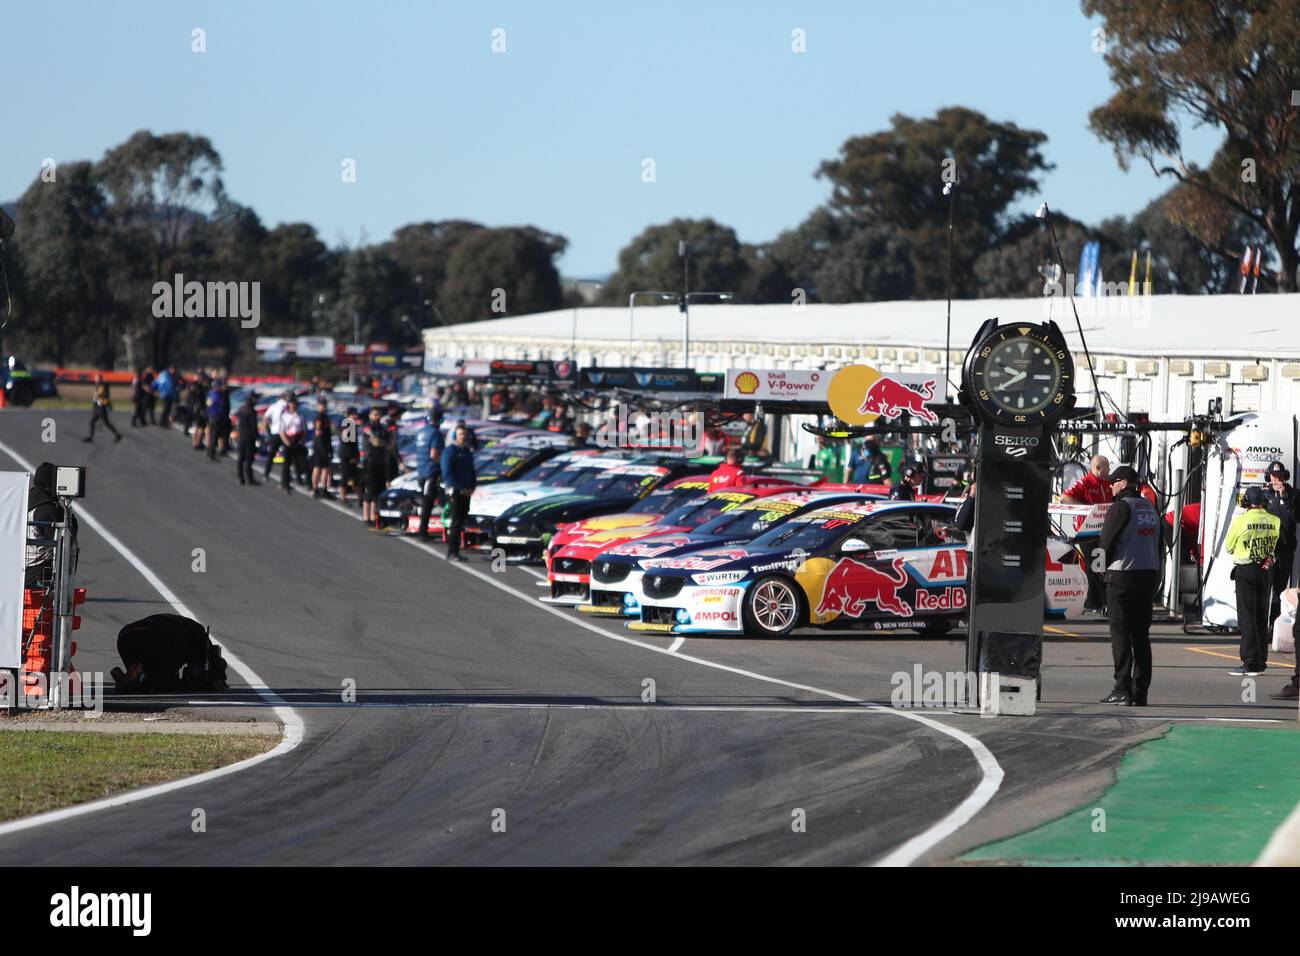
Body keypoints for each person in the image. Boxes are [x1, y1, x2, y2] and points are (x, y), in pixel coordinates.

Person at [1096, 465, 1161, 705]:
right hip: (1148, 576)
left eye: (1113, 482)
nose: (1110, 487)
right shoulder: (1151, 508)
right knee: (1141, 636)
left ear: (1123, 483)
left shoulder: (1120, 508)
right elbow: (1160, 544)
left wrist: (1098, 576)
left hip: (1121, 577)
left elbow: (1105, 544)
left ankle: (1122, 688)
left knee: (1121, 634)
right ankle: (1140, 691)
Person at [1225, 486, 1280, 677]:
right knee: (1261, 616)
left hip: (1246, 570)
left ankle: (1250, 664)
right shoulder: (1275, 520)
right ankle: (1261, 661)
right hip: (1266, 569)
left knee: (1247, 617)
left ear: (1246, 503)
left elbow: (1229, 547)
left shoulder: (1241, 521)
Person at [25, 462, 78, 588]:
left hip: (24, 567)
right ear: (52, 485)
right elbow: (66, 538)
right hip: (39, 573)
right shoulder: (47, 509)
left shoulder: (27, 499)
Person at [1264, 461, 1299, 626]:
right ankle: (1262, 624)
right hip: (1267, 551)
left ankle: (1274, 625)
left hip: (1285, 550)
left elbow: (1295, 519)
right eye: (1274, 476)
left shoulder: (1294, 495)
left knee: (1279, 590)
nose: (1277, 479)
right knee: (1264, 589)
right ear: (1269, 476)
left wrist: (1285, 496)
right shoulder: (1264, 495)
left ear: (1285, 476)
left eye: (1280, 475)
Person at [441, 424, 477, 561]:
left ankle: (456, 550)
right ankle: (452, 551)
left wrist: (472, 487)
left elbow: (471, 471)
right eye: (461, 434)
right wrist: (459, 488)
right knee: (455, 522)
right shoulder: (450, 451)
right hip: (456, 491)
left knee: (461, 520)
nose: (463, 437)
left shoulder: (467, 451)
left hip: (466, 491)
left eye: (465, 434)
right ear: (456, 436)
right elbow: (447, 473)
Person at [414, 410, 445, 539]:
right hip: (431, 471)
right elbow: (434, 454)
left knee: (425, 501)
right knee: (428, 502)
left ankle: (423, 529)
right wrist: (443, 465)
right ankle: (423, 531)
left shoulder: (420, 432)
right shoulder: (435, 433)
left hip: (421, 470)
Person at [361, 431, 394, 525]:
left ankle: (373, 517)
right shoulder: (370, 450)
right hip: (371, 475)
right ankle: (365, 517)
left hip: (380, 475)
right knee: (369, 496)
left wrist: (387, 478)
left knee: (376, 496)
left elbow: (386, 465)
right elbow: (366, 464)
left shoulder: (383, 451)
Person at [278, 396, 307, 495]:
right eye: (291, 403)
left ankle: (303, 481)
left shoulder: (300, 416)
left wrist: (301, 440)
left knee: (302, 462)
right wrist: (286, 442)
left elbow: (303, 430)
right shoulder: (284, 416)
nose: (293, 405)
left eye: (294, 403)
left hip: (297, 439)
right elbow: (281, 431)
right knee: (287, 463)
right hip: (288, 439)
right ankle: (285, 483)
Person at [82, 373, 123, 443]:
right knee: (92, 422)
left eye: (97, 379)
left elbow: (102, 396)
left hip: (101, 407)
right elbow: (96, 397)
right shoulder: (98, 386)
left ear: (100, 379)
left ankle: (118, 435)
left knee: (106, 423)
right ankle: (90, 437)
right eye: (96, 379)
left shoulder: (103, 386)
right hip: (97, 407)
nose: (96, 380)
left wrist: (104, 403)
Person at [261, 390, 290, 480]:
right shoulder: (287, 407)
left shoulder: (274, 406)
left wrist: (267, 430)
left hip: (275, 432)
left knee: (271, 455)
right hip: (285, 433)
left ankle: (266, 473)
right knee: (287, 455)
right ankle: (286, 476)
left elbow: (265, 418)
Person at [337, 407, 362, 507]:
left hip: (349, 456)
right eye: (354, 414)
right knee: (345, 478)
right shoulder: (348, 424)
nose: (356, 416)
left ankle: (360, 497)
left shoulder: (350, 425)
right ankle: (343, 498)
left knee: (354, 479)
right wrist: (353, 456)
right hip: (347, 457)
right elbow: (348, 443)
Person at [235, 394, 260, 486]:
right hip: (249, 437)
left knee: (241, 458)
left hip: (241, 436)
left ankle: (240, 477)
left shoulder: (241, 409)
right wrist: (257, 437)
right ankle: (249, 478)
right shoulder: (251, 411)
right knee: (249, 459)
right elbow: (253, 426)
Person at [310, 400, 334, 498]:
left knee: (325, 468)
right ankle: (315, 489)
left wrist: (329, 448)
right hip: (320, 446)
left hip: (326, 444)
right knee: (317, 467)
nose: (323, 407)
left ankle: (324, 489)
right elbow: (318, 434)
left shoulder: (325, 417)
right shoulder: (319, 417)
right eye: (321, 405)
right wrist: (322, 449)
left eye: (324, 405)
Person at [206, 378, 230, 461]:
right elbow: (220, 407)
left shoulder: (210, 393)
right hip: (217, 417)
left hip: (212, 416)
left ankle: (211, 452)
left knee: (214, 436)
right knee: (214, 436)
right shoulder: (217, 395)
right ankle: (211, 453)